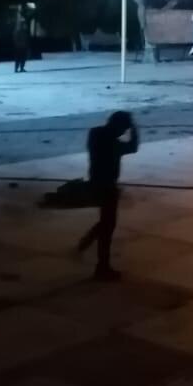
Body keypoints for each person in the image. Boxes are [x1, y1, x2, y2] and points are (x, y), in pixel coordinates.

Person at [76, 111, 139, 281]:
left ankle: (87, 242)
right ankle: (102, 266)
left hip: (95, 182)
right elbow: (133, 147)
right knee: (108, 226)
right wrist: (135, 129)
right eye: (123, 129)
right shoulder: (113, 143)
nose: (123, 133)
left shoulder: (95, 134)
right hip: (107, 187)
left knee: (106, 221)